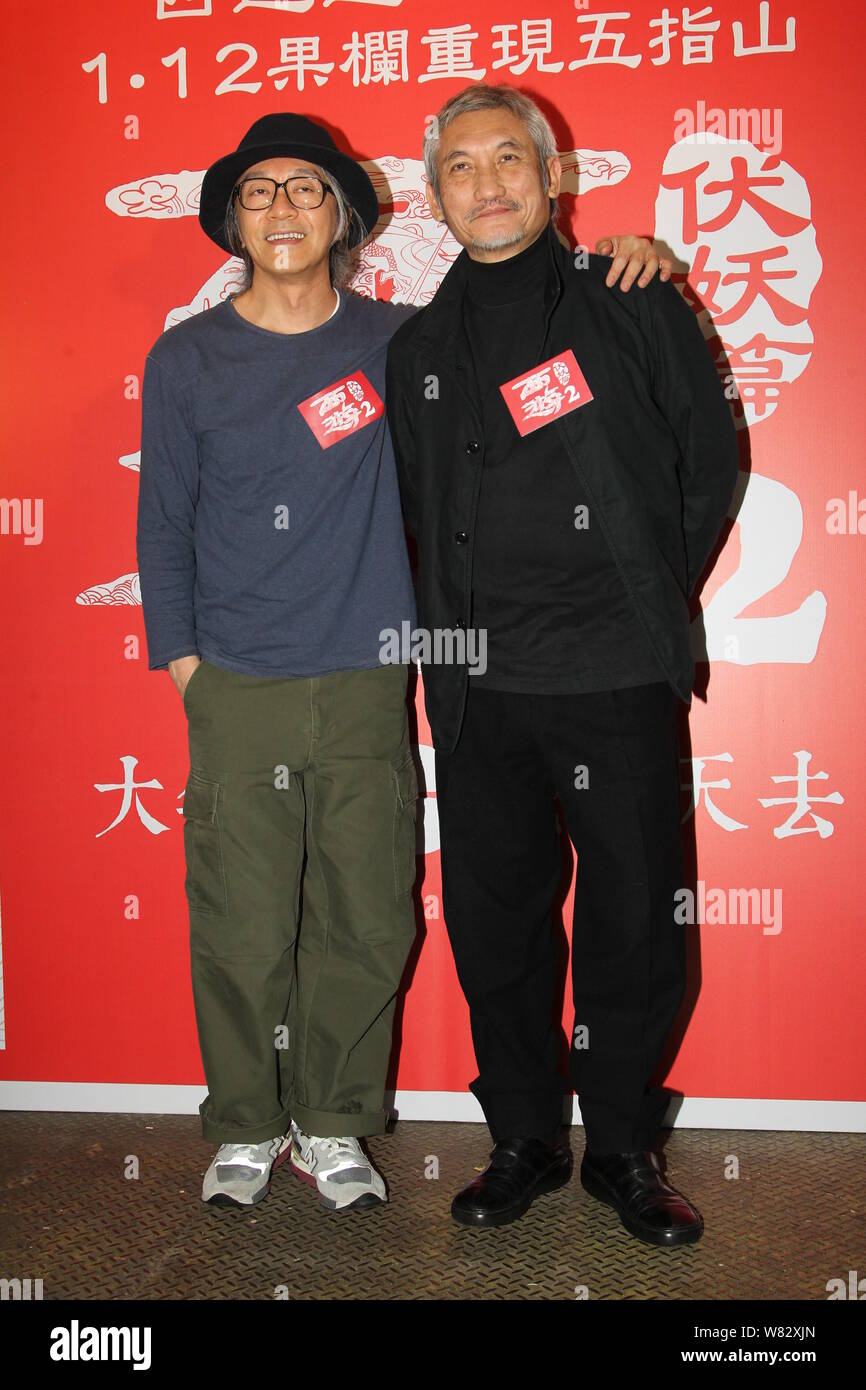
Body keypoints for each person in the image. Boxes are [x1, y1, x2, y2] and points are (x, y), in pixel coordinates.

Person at [136, 110, 670, 1215]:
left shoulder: (397, 343)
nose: (282, 209)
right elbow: (162, 526)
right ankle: (242, 1122)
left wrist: (637, 257)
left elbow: (527, 349)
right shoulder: (186, 354)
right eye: (258, 191)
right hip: (237, 680)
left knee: (369, 915)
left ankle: (332, 1121)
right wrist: (187, 664)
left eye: (306, 190)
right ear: (230, 219)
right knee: (238, 922)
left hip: (377, 678)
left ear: (344, 216)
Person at [385, 84, 740, 1245]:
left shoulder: (630, 302)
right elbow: (413, 513)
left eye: (508, 161)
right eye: (459, 168)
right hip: (477, 683)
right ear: (434, 197)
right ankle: (525, 1137)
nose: (485, 183)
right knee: (496, 923)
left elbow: (710, 458)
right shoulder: (417, 345)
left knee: (635, 917)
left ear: (554, 180)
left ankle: (625, 1147)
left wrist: (641, 587)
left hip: (614, 673)